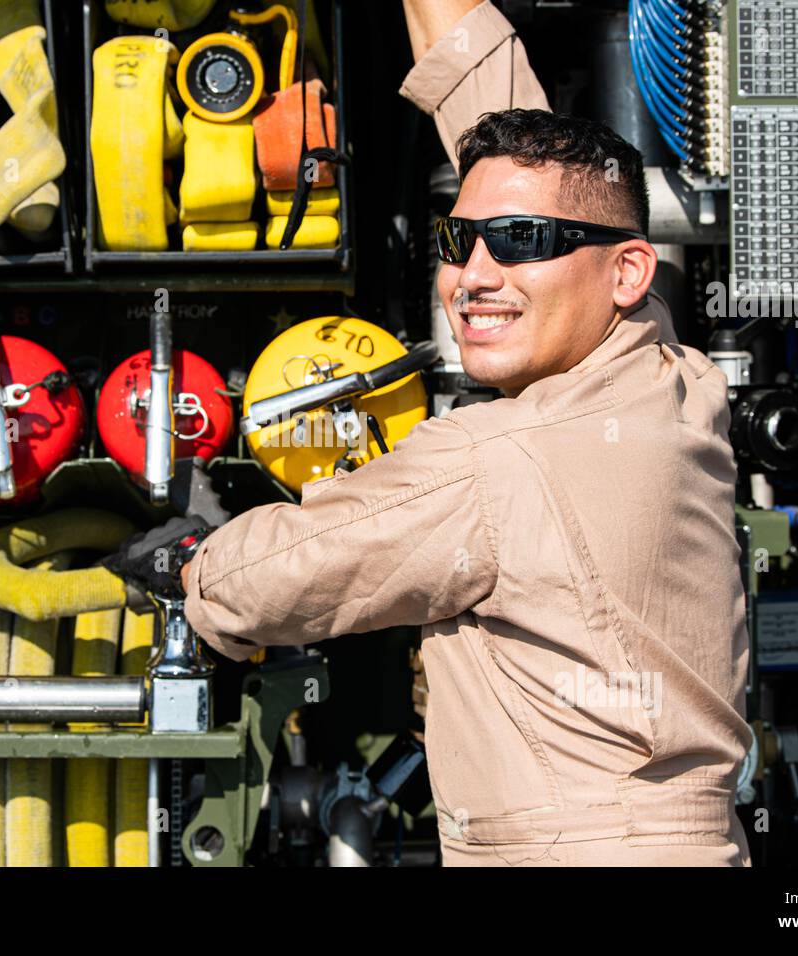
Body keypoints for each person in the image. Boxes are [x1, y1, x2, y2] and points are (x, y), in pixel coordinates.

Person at [170, 2, 753, 866]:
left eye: (520, 242)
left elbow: (262, 585)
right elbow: (499, 114)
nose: (474, 277)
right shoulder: (668, 374)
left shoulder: (496, 462)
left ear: (627, 270)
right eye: (460, 238)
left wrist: (189, 557)